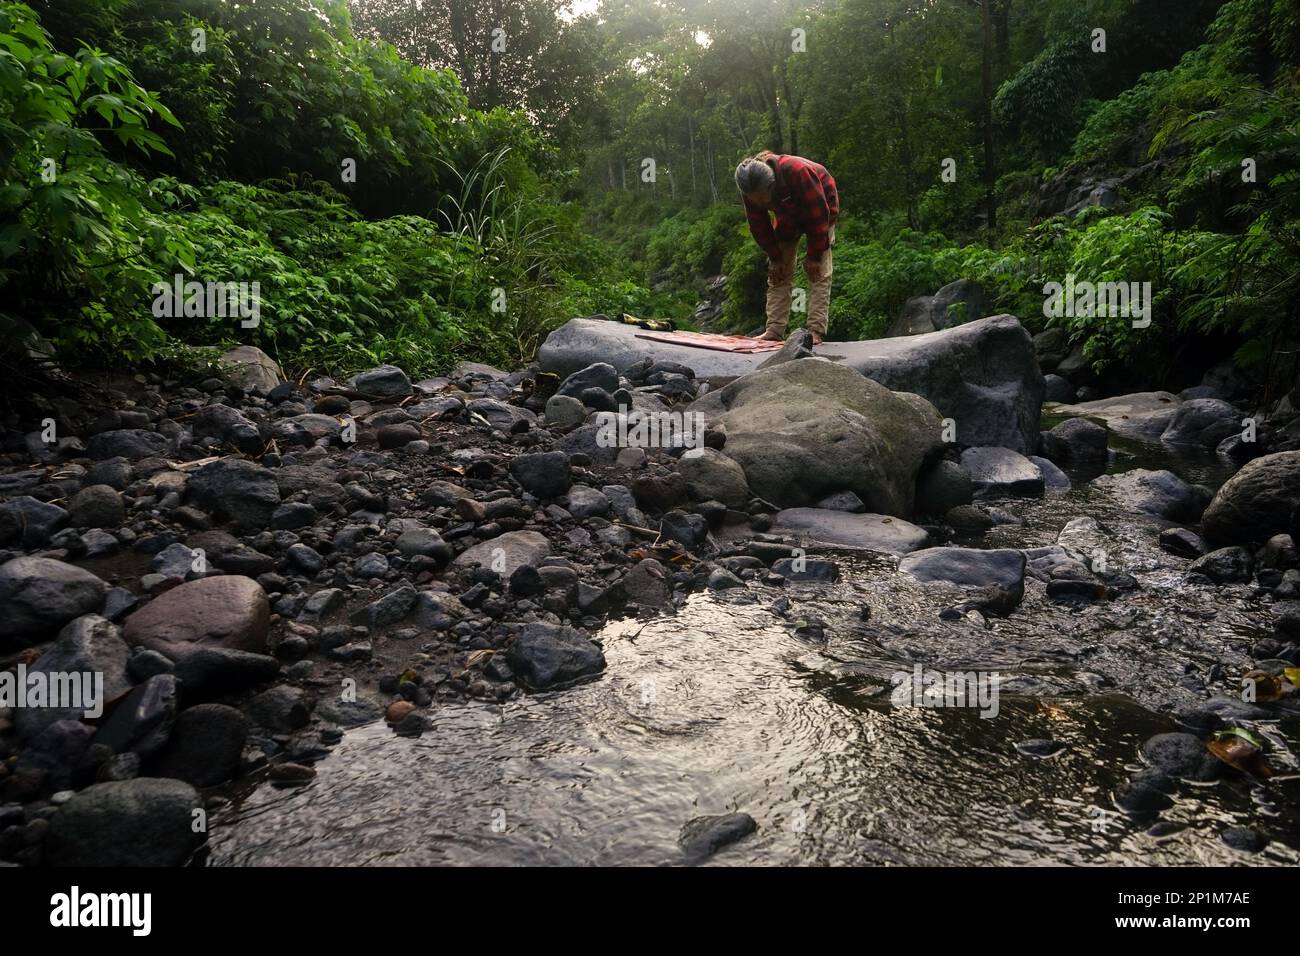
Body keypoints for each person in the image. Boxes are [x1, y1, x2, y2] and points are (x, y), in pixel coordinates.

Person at [735, 151, 839, 345]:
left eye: (762, 199)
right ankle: (774, 330)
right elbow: (759, 226)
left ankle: (815, 331)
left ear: (772, 184)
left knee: (819, 270)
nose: (759, 203)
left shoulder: (798, 172)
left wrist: (814, 256)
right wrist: (775, 257)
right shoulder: (749, 188)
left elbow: (818, 218)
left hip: (821, 210)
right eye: (755, 199)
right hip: (787, 216)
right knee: (778, 272)